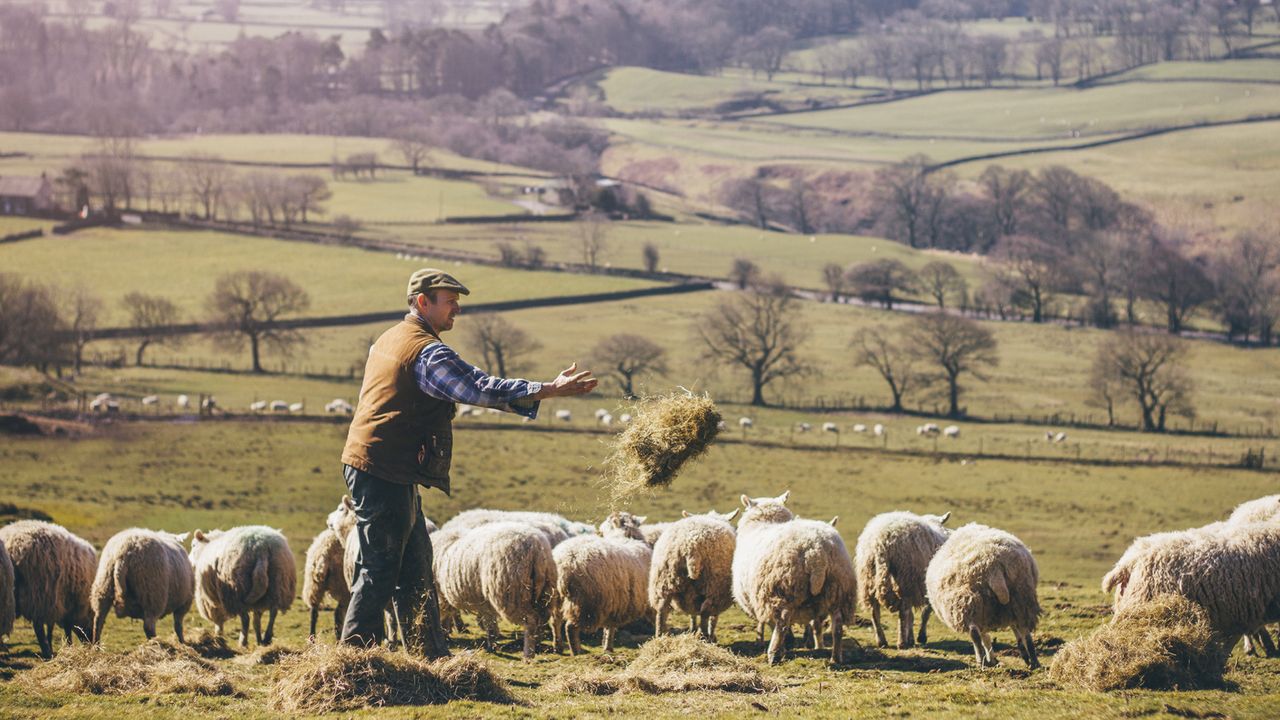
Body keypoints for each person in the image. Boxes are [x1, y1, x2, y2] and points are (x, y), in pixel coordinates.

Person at [338, 268, 597, 655]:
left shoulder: (392, 337)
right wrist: (547, 390)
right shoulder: (427, 351)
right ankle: (353, 660)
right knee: (380, 568)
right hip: (383, 467)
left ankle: (429, 657)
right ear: (422, 302)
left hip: (384, 465)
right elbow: (478, 387)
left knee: (416, 566)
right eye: (449, 300)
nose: (456, 308)